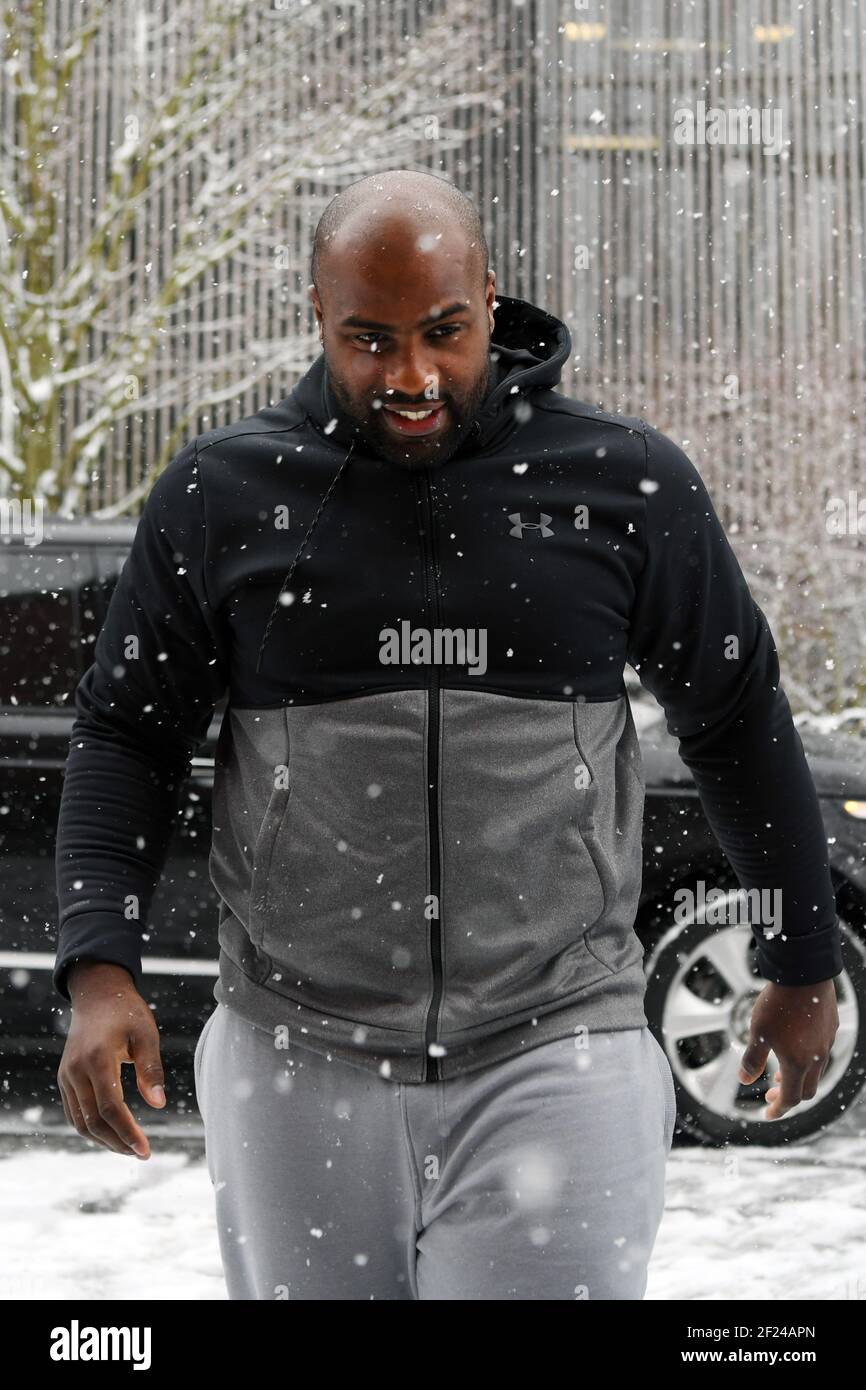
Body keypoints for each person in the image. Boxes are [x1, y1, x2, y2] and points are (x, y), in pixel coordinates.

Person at [54, 168, 842, 1300]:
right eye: (369, 339)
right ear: (315, 315)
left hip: (558, 1049)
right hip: (297, 1055)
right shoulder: (223, 495)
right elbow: (126, 731)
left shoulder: (620, 485)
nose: (412, 376)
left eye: (443, 331)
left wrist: (801, 954)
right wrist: (97, 964)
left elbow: (734, 717)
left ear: (489, 297)